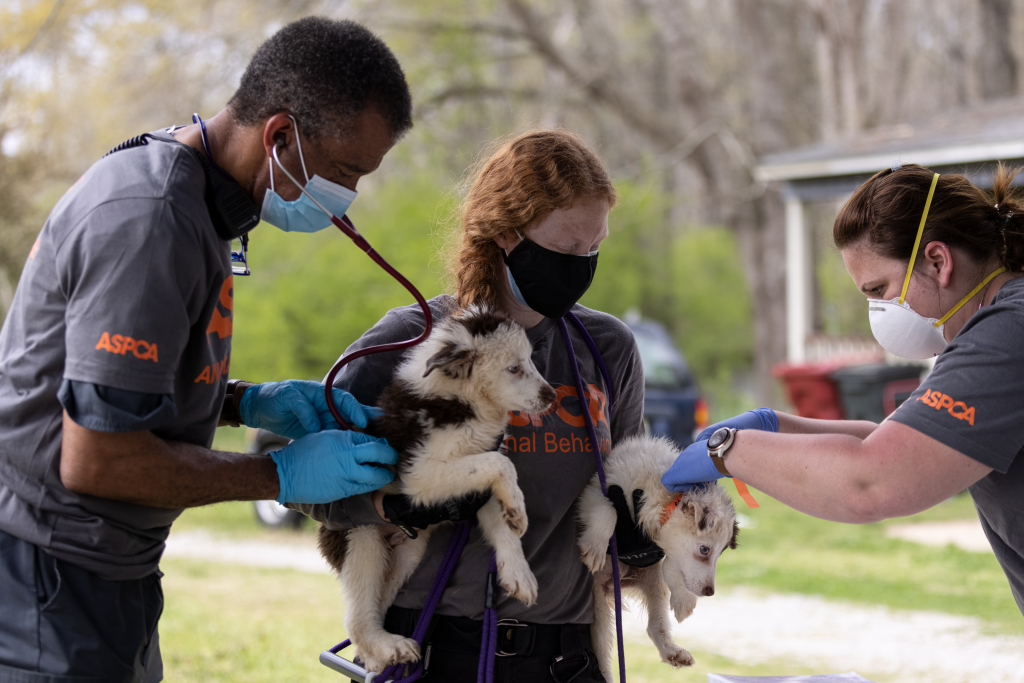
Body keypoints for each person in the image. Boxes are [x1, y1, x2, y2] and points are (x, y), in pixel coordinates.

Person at [0, 17, 413, 682]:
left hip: (110, 574)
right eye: (343, 172)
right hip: (47, 578)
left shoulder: (196, 204)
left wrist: (250, 402)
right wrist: (277, 477)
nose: (346, 201)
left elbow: (120, 390)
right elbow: (98, 458)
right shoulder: (151, 218)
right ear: (279, 135)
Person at [298, 130, 646, 682]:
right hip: (439, 644)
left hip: (568, 655)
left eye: (594, 248)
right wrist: (396, 507)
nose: (581, 268)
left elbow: (629, 483)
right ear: (507, 235)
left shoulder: (606, 350)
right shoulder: (414, 342)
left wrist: (648, 533)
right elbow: (309, 486)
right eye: (564, 250)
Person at [662, 162, 1024, 616]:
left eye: (880, 289)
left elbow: (872, 480)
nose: (879, 311)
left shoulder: (1008, 332)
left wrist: (726, 450)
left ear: (938, 260)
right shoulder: (998, 326)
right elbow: (896, 443)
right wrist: (772, 427)